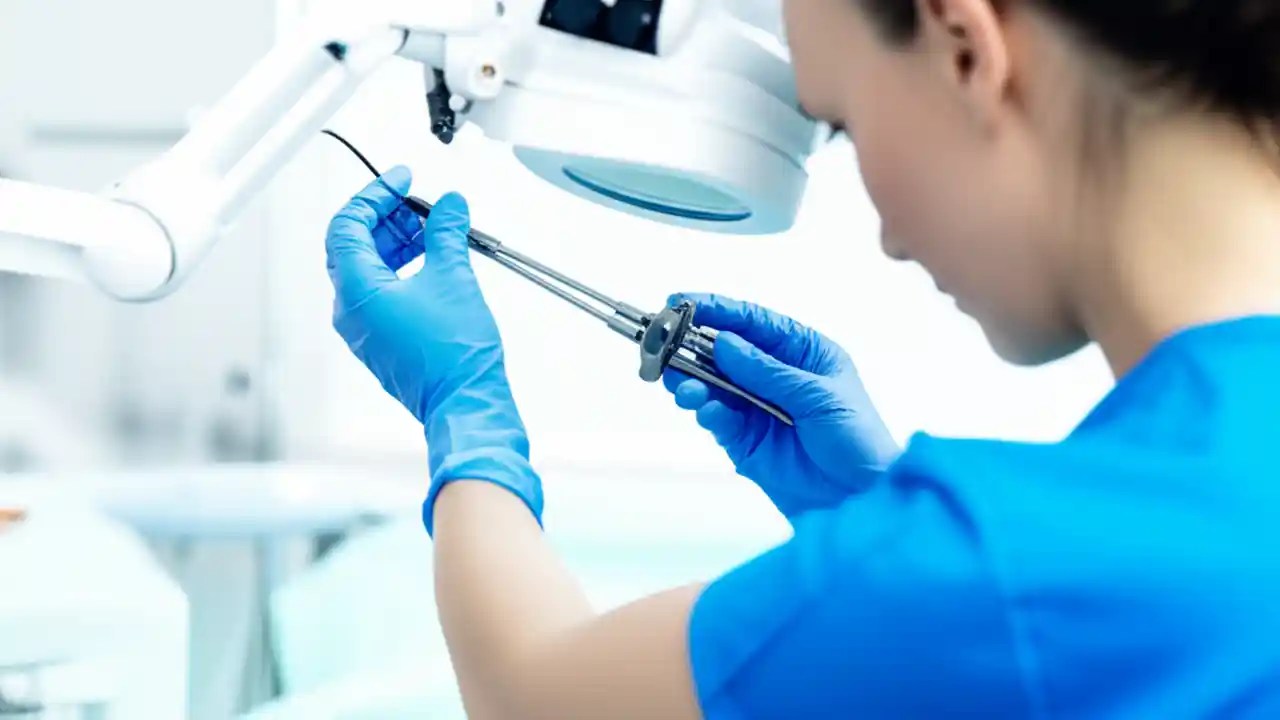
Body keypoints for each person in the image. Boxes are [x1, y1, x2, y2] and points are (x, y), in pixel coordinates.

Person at [323, 0, 1280, 716]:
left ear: (963, 45)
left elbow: (533, 696)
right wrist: (882, 521)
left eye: (843, 124)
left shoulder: (1000, 567)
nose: (888, 237)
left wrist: (463, 411)